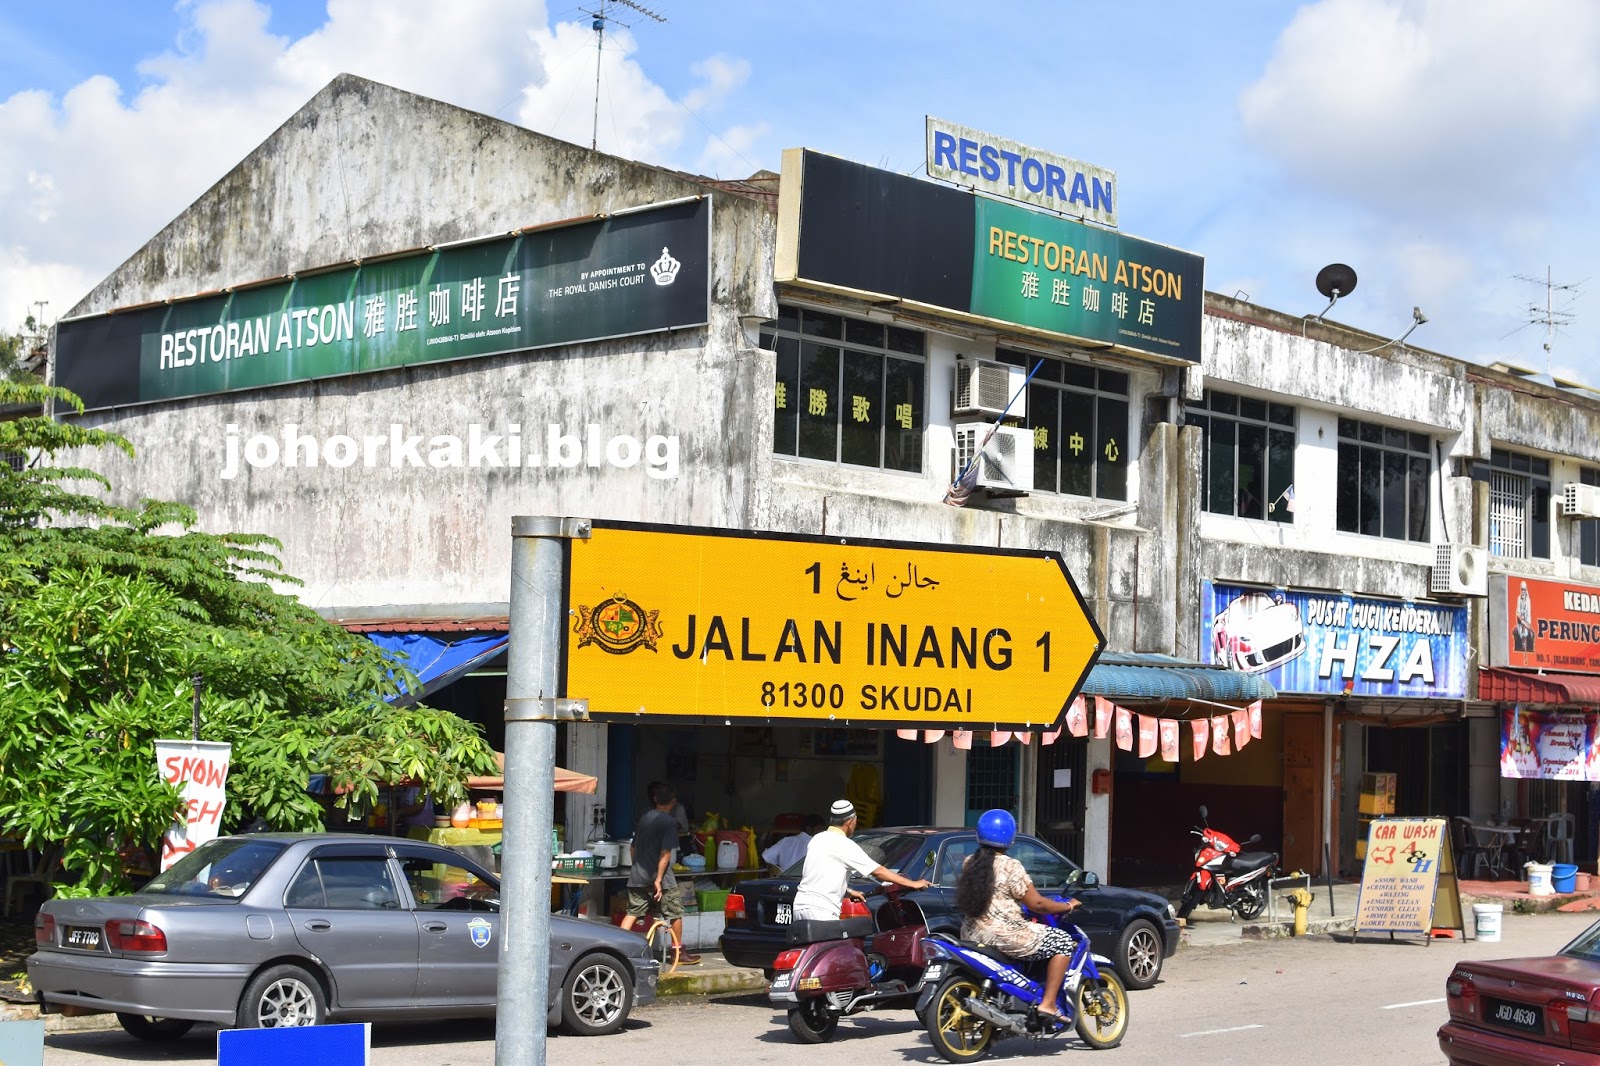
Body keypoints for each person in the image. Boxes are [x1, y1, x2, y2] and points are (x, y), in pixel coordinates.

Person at [955, 809, 1082, 1022]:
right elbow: (1037, 904)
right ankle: (1048, 1004)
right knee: (1063, 942)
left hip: (971, 933)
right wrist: (1068, 906)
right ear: (1010, 836)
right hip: (1005, 935)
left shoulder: (970, 862)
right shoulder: (1011, 866)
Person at [793, 799, 931, 921]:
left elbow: (820, 874)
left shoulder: (817, 839)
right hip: (821, 911)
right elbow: (878, 871)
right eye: (855, 822)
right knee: (835, 948)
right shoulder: (844, 844)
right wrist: (912, 884)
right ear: (849, 822)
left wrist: (848, 892)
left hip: (800, 907)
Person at [620, 781, 699, 965]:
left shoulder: (644, 818)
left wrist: (638, 867)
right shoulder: (669, 822)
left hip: (637, 875)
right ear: (673, 801)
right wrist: (658, 879)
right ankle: (678, 953)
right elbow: (665, 854)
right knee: (675, 913)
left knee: (632, 913)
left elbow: (632, 849)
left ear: (655, 799)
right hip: (661, 877)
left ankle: (619, 949)